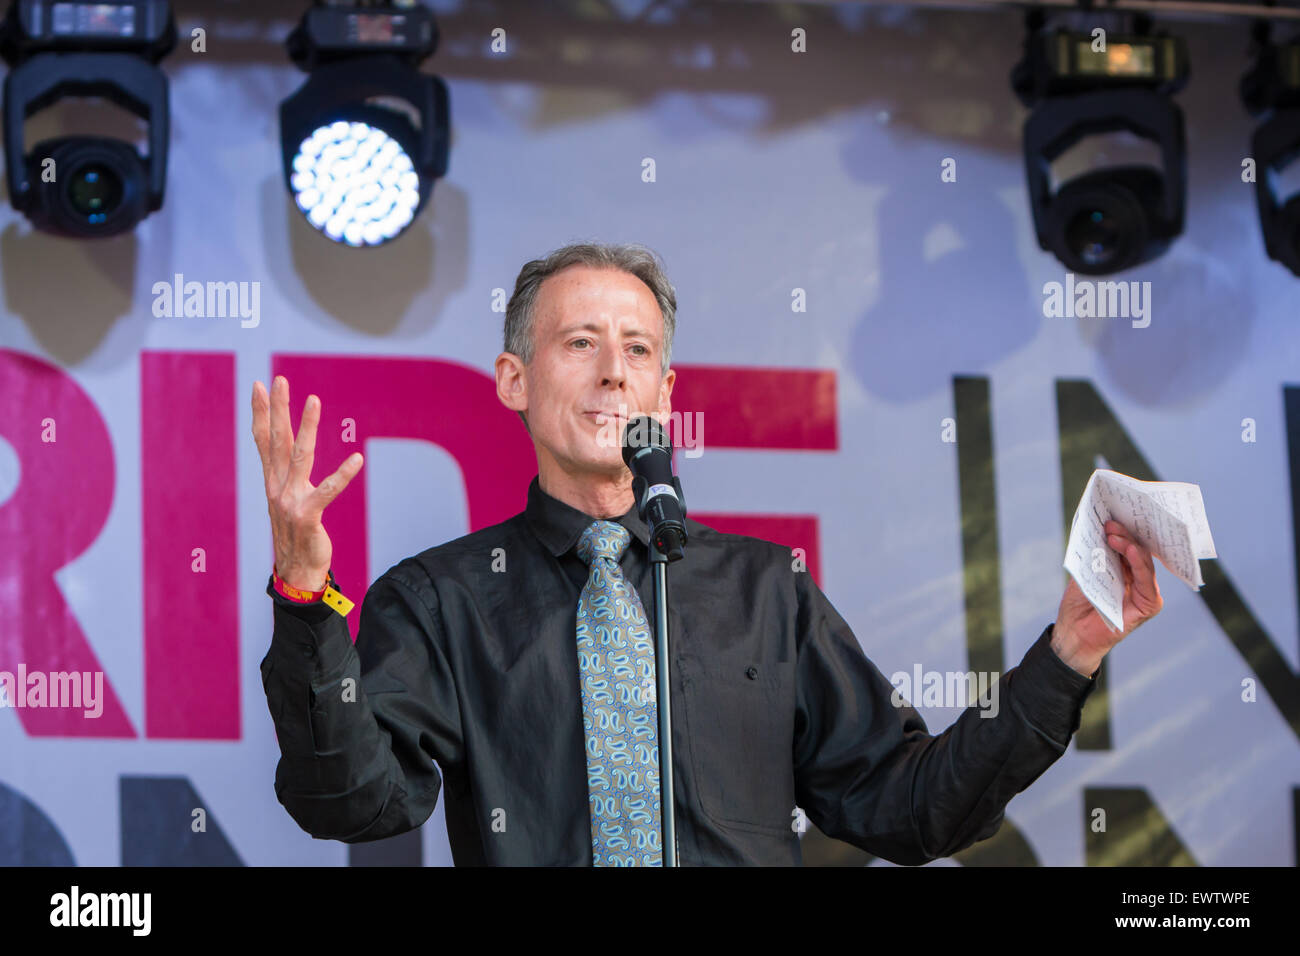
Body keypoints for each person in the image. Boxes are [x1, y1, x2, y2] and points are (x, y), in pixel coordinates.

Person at [252, 241, 1164, 866]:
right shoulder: (442, 597)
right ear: (514, 380)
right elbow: (353, 803)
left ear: (664, 388)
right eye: (581, 343)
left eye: (637, 349)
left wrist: (1069, 653)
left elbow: (910, 807)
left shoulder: (764, 590)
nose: (614, 370)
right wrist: (305, 594)